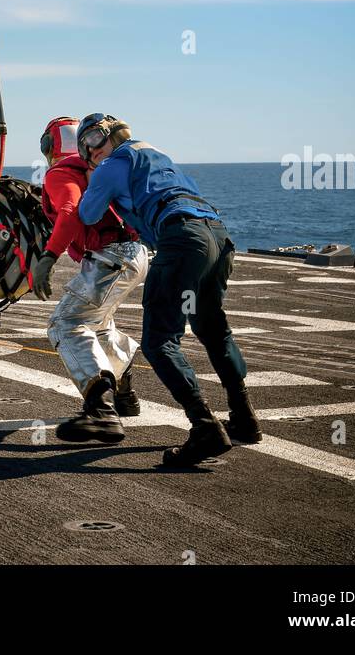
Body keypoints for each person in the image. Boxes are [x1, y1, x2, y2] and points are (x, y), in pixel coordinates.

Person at [77, 114, 262, 468]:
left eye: (92, 139)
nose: (90, 148)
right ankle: (244, 417)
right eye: (86, 143)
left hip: (181, 239)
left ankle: (205, 426)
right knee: (213, 328)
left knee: (159, 341)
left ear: (108, 137)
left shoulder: (111, 165)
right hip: (217, 235)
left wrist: (91, 179)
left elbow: (87, 213)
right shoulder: (156, 154)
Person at [33, 115, 149, 444]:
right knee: (98, 325)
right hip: (134, 254)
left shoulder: (60, 174)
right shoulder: (98, 166)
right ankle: (123, 367)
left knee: (65, 323)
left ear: (49, 146)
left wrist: (48, 256)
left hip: (110, 258)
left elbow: (70, 212)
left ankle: (100, 410)